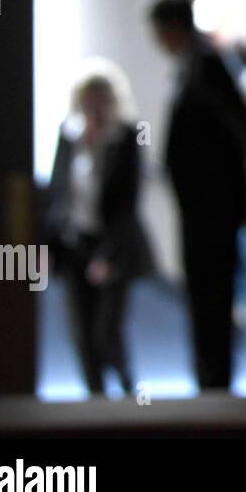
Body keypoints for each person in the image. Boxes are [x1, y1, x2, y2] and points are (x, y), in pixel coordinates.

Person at [148, 0, 246, 391]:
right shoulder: (191, 65)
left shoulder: (207, 63)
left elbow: (240, 122)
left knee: (212, 294)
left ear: (171, 28)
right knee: (203, 293)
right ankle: (209, 377)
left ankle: (216, 381)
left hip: (213, 206)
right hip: (201, 205)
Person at [43, 64, 153, 397]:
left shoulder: (124, 138)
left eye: (98, 100)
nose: (92, 108)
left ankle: (128, 389)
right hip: (75, 242)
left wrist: (107, 255)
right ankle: (95, 398)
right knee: (81, 329)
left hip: (113, 244)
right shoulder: (69, 135)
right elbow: (58, 191)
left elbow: (127, 204)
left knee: (106, 328)